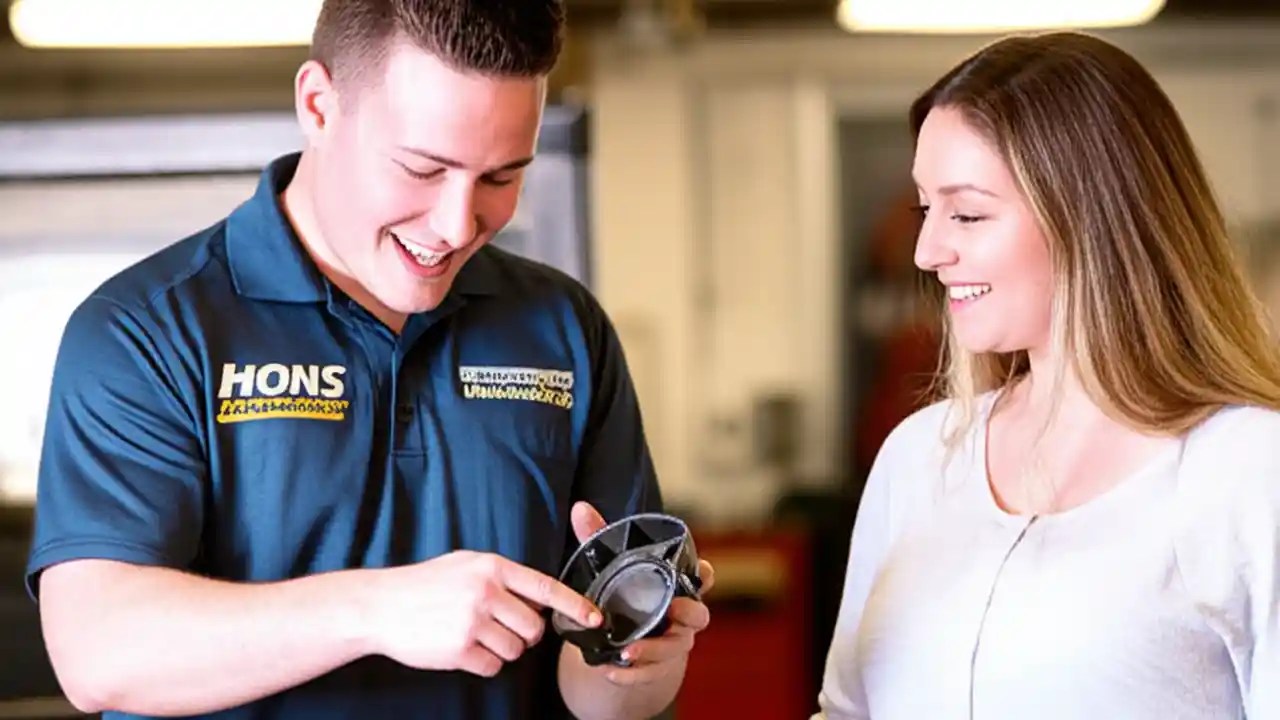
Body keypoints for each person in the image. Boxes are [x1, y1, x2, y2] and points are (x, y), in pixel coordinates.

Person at [25, 2, 713, 719]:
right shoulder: (149, 330)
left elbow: (600, 696)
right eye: (422, 169)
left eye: (501, 178)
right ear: (319, 106)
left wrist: (635, 661)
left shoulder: (563, 330)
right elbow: (98, 652)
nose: (456, 225)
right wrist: (377, 610)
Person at [814, 31, 1280, 720]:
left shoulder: (1249, 471)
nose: (927, 250)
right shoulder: (918, 458)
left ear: (1093, 219)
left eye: (966, 212)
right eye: (925, 209)